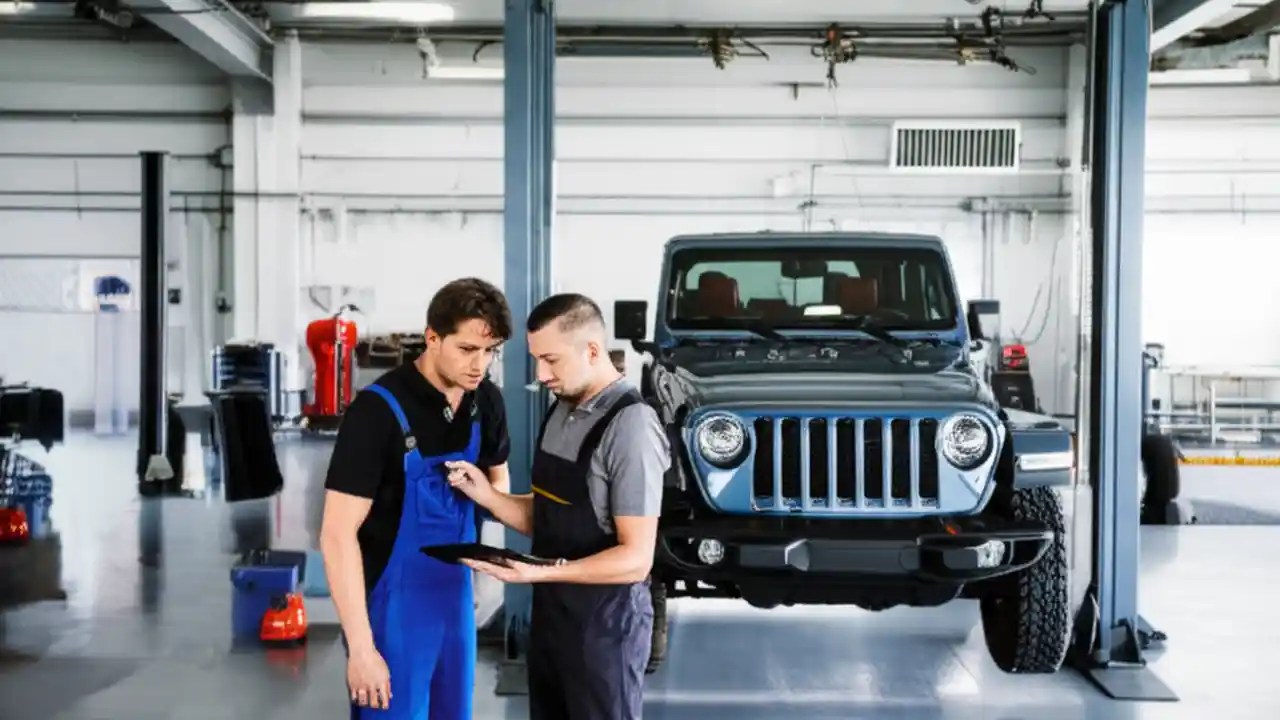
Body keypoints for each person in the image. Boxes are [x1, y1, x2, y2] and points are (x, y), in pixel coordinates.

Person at [445, 293, 670, 720]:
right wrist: (486, 495)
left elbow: (636, 559)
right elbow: (548, 515)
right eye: (536, 360)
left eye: (551, 360)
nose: (541, 374)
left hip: (606, 626)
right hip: (553, 619)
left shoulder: (631, 428)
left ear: (591, 350)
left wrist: (542, 571)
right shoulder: (562, 409)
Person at [319, 277, 513, 719]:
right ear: (432, 338)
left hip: (456, 604)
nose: (479, 365)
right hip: (393, 614)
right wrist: (362, 649)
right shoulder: (376, 411)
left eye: (490, 351)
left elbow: (498, 488)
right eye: (467, 349)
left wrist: (488, 573)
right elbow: (336, 535)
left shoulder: (487, 401)